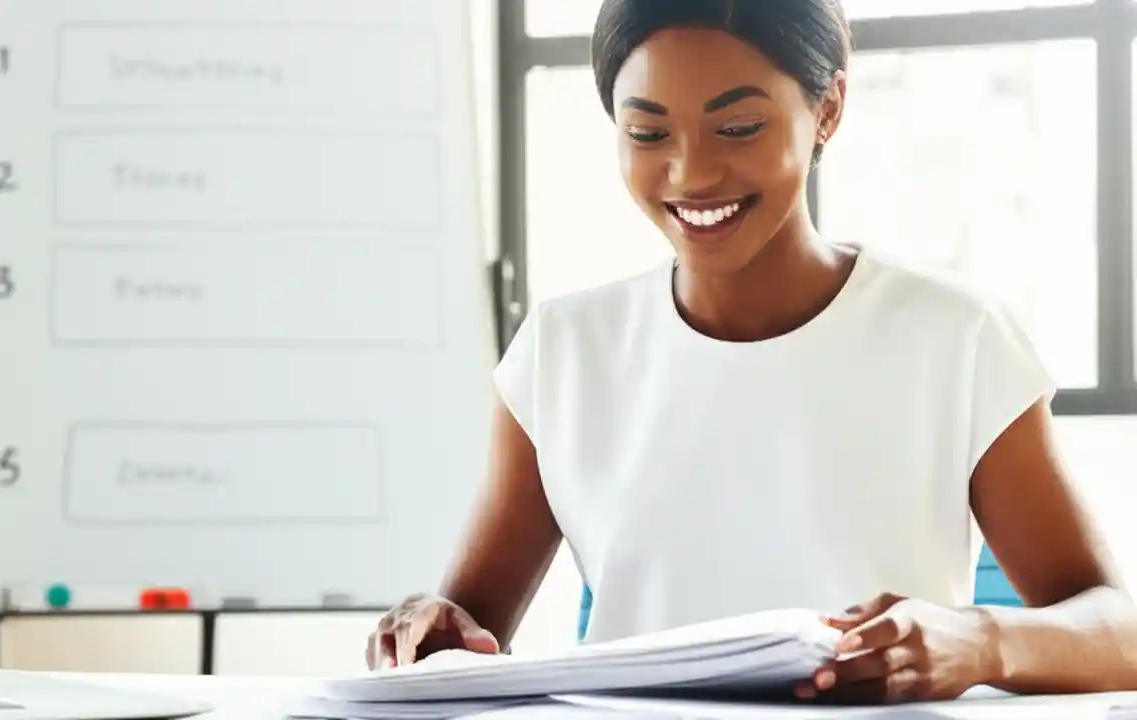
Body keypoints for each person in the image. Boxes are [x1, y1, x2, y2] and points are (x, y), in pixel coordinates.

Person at [367, 0, 1137, 703]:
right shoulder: (562, 351)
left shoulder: (954, 335)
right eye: (648, 133)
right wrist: (427, 628)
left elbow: (1119, 632)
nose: (692, 173)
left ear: (828, 108)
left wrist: (981, 641)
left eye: (737, 128)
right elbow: (465, 635)